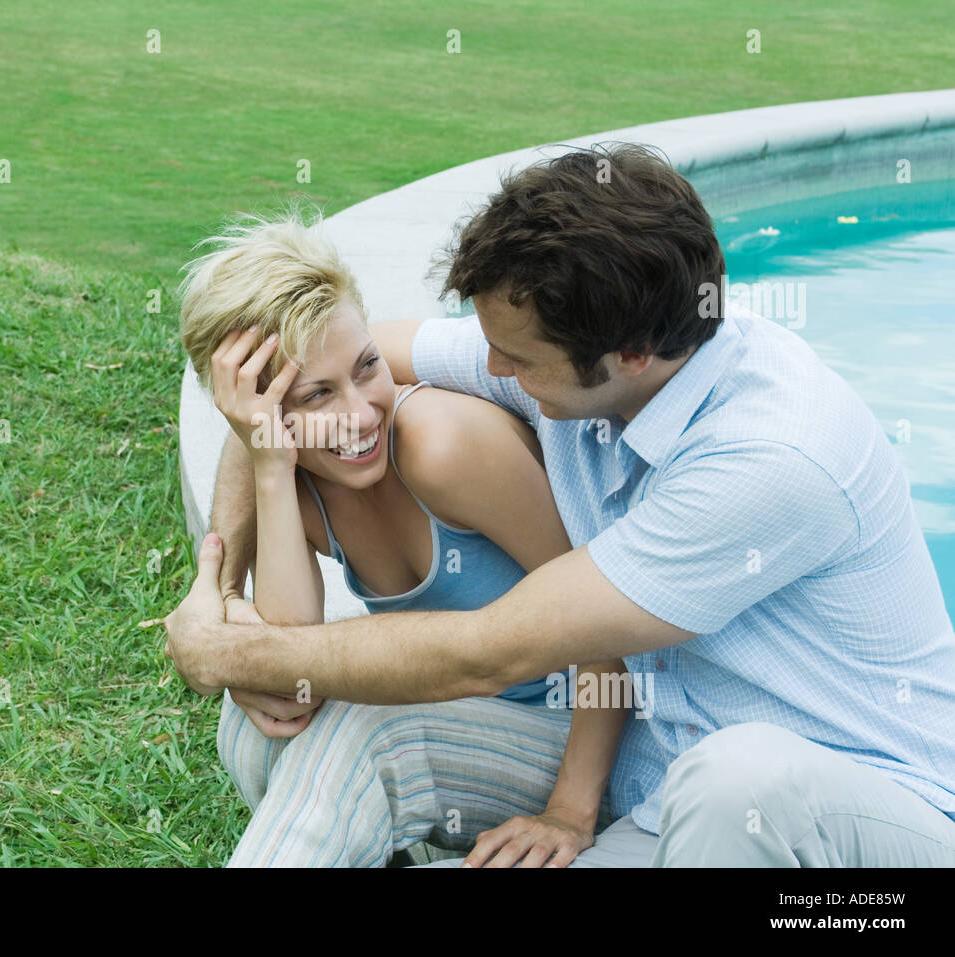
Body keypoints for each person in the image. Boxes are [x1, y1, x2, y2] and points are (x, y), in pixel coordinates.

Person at [164, 144, 955, 867]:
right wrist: (219, 588)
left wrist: (228, 651)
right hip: (658, 799)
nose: (490, 368)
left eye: (518, 358)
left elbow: (489, 649)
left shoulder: (771, 457)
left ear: (628, 356)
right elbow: (299, 387)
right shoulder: (581, 340)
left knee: (738, 780)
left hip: (857, 828)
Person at [177, 211, 633, 867]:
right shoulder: (293, 476)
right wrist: (271, 469)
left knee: (363, 730)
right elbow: (287, 666)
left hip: (576, 735)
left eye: (367, 365)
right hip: (461, 712)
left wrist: (569, 808)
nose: (360, 415)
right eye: (315, 395)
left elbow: (606, 625)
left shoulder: (443, 447)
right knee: (255, 727)